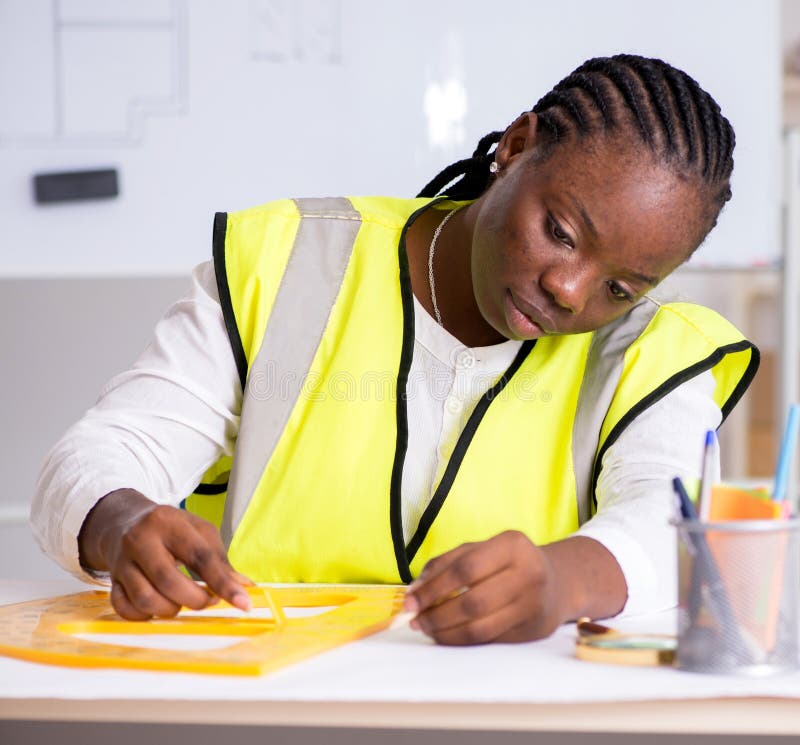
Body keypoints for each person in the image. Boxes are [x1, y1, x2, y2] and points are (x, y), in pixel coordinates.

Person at [32, 54, 758, 646]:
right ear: (514, 147)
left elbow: (674, 530)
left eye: (622, 287)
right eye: (561, 232)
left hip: (516, 719)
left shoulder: (657, 352)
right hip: (271, 710)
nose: (570, 290)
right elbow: (99, 453)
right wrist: (120, 519)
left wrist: (563, 580)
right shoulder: (287, 264)